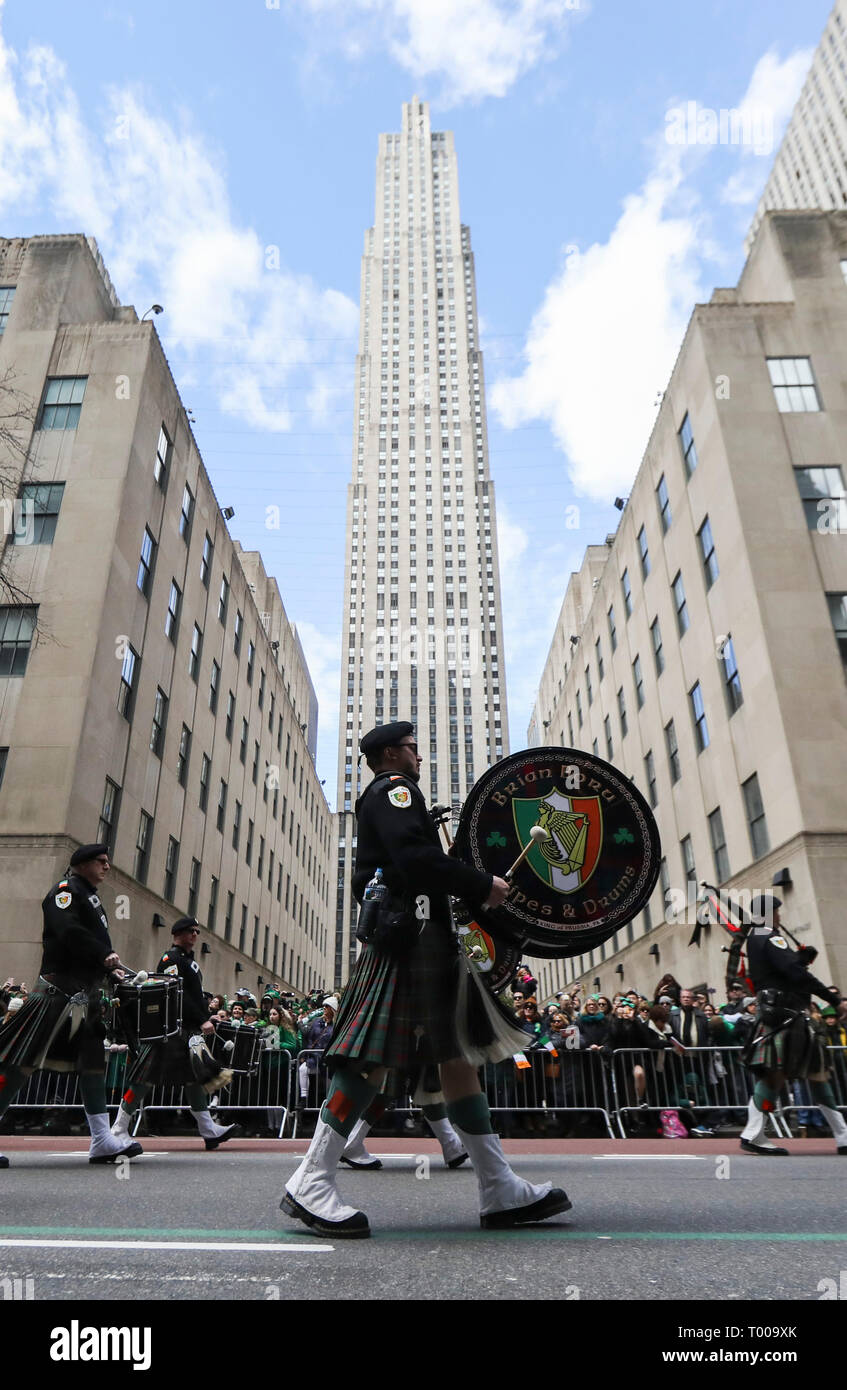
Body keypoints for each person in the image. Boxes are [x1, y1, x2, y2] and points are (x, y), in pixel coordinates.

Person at [281, 721, 569, 1237]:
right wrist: (482, 884)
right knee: (370, 1060)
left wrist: (456, 871)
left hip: (425, 938)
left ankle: (498, 1184)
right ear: (392, 753)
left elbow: (409, 864)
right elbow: (411, 858)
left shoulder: (399, 796)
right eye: (413, 748)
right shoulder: (394, 792)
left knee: (457, 1061)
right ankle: (311, 1178)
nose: (419, 756)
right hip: (410, 942)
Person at [0, 843, 143, 1165]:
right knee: (21, 1063)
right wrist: (101, 954)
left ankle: (102, 1139)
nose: (107, 867)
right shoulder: (64, 891)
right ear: (82, 864)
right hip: (58, 991)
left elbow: (89, 942)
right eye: (101, 861)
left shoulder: (90, 897)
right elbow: (68, 931)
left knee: (93, 1064)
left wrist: (111, 968)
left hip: (85, 994)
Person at [110, 916, 240, 1150]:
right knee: (143, 1080)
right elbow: (178, 994)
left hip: (185, 1030)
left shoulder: (189, 961)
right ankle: (119, 1127)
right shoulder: (171, 959)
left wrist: (206, 1015)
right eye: (191, 931)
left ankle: (208, 1129)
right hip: (169, 1031)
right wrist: (201, 1019)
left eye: (197, 932)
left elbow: (195, 995)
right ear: (178, 933)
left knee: (195, 1080)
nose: (195, 935)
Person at [741, 894, 846, 1156]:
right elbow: (794, 976)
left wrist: (800, 958)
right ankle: (752, 1134)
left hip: (782, 1014)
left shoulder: (756, 939)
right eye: (776, 911)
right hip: (787, 1015)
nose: (780, 916)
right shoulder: (770, 938)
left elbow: (781, 970)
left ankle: (843, 1134)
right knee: (777, 1076)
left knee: (815, 1072)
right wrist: (833, 998)